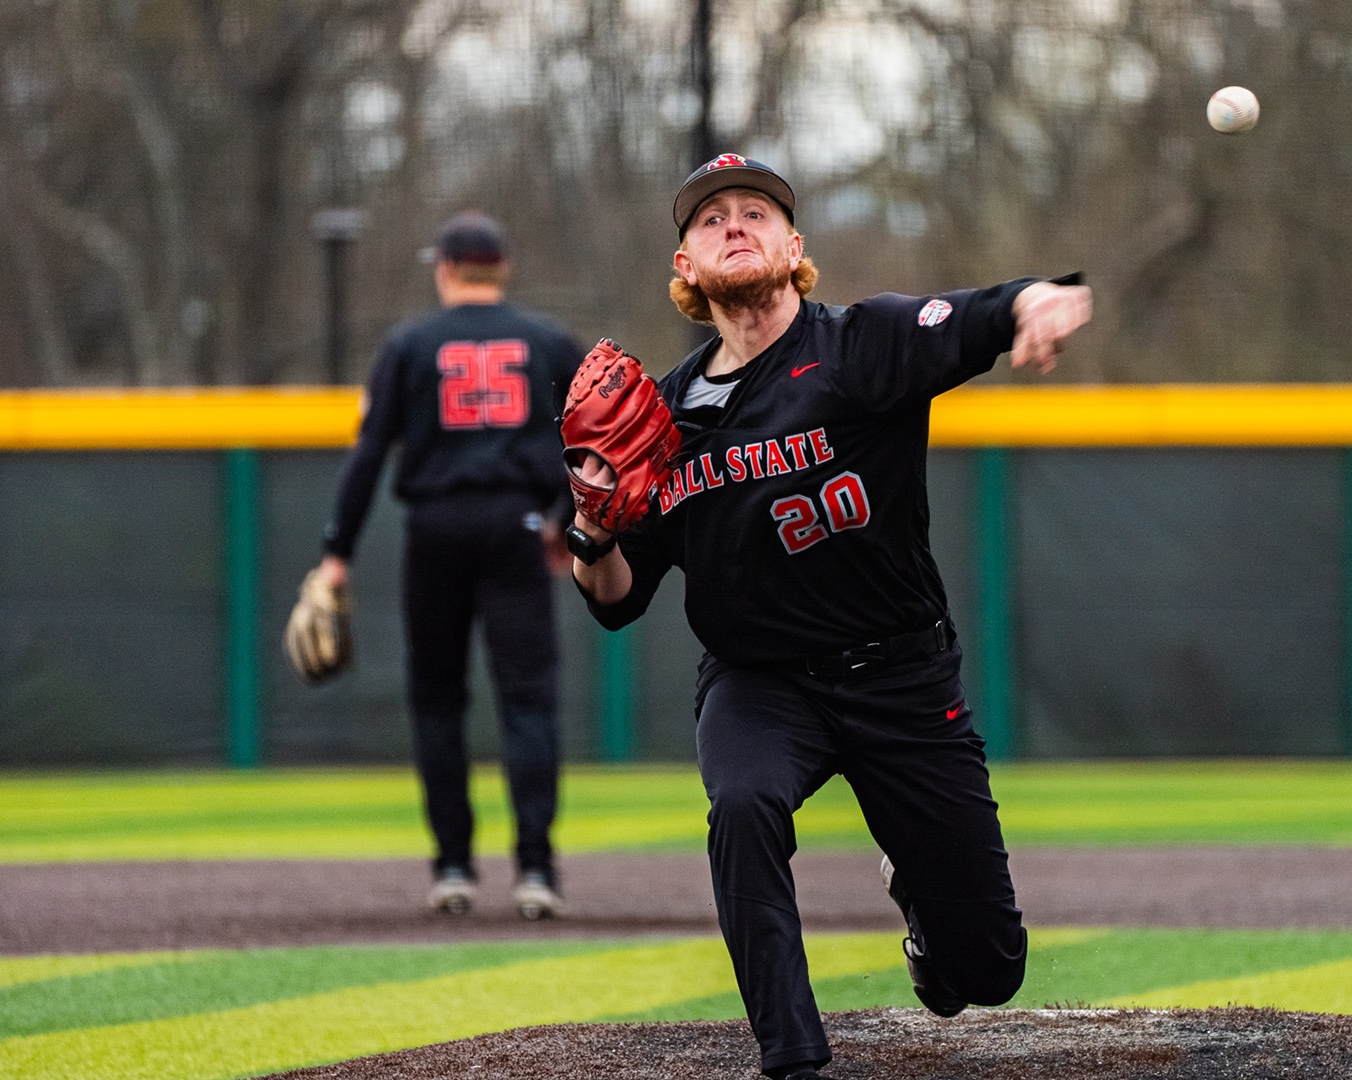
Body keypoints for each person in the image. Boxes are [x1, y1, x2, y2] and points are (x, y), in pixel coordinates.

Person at [565, 155, 1091, 1080]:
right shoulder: (664, 418)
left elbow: (972, 316)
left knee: (987, 972)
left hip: (900, 673)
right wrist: (591, 530)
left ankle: (927, 915)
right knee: (743, 801)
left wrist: (1035, 302)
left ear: (793, 247)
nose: (735, 224)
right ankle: (792, 1057)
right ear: (684, 265)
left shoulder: (859, 345)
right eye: (711, 218)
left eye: (756, 212)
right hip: (760, 682)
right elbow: (616, 604)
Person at [315, 211, 583, 920]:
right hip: (517, 527)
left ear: (444, 269)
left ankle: (455, 867)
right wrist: (566, 518)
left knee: (438, 700)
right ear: (502, 269)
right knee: (528, 701)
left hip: (434, 529)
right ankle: (535, 869)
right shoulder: (547, 341)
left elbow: (370, 451)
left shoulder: (409, 343)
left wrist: (336, 552)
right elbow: (598, 439)